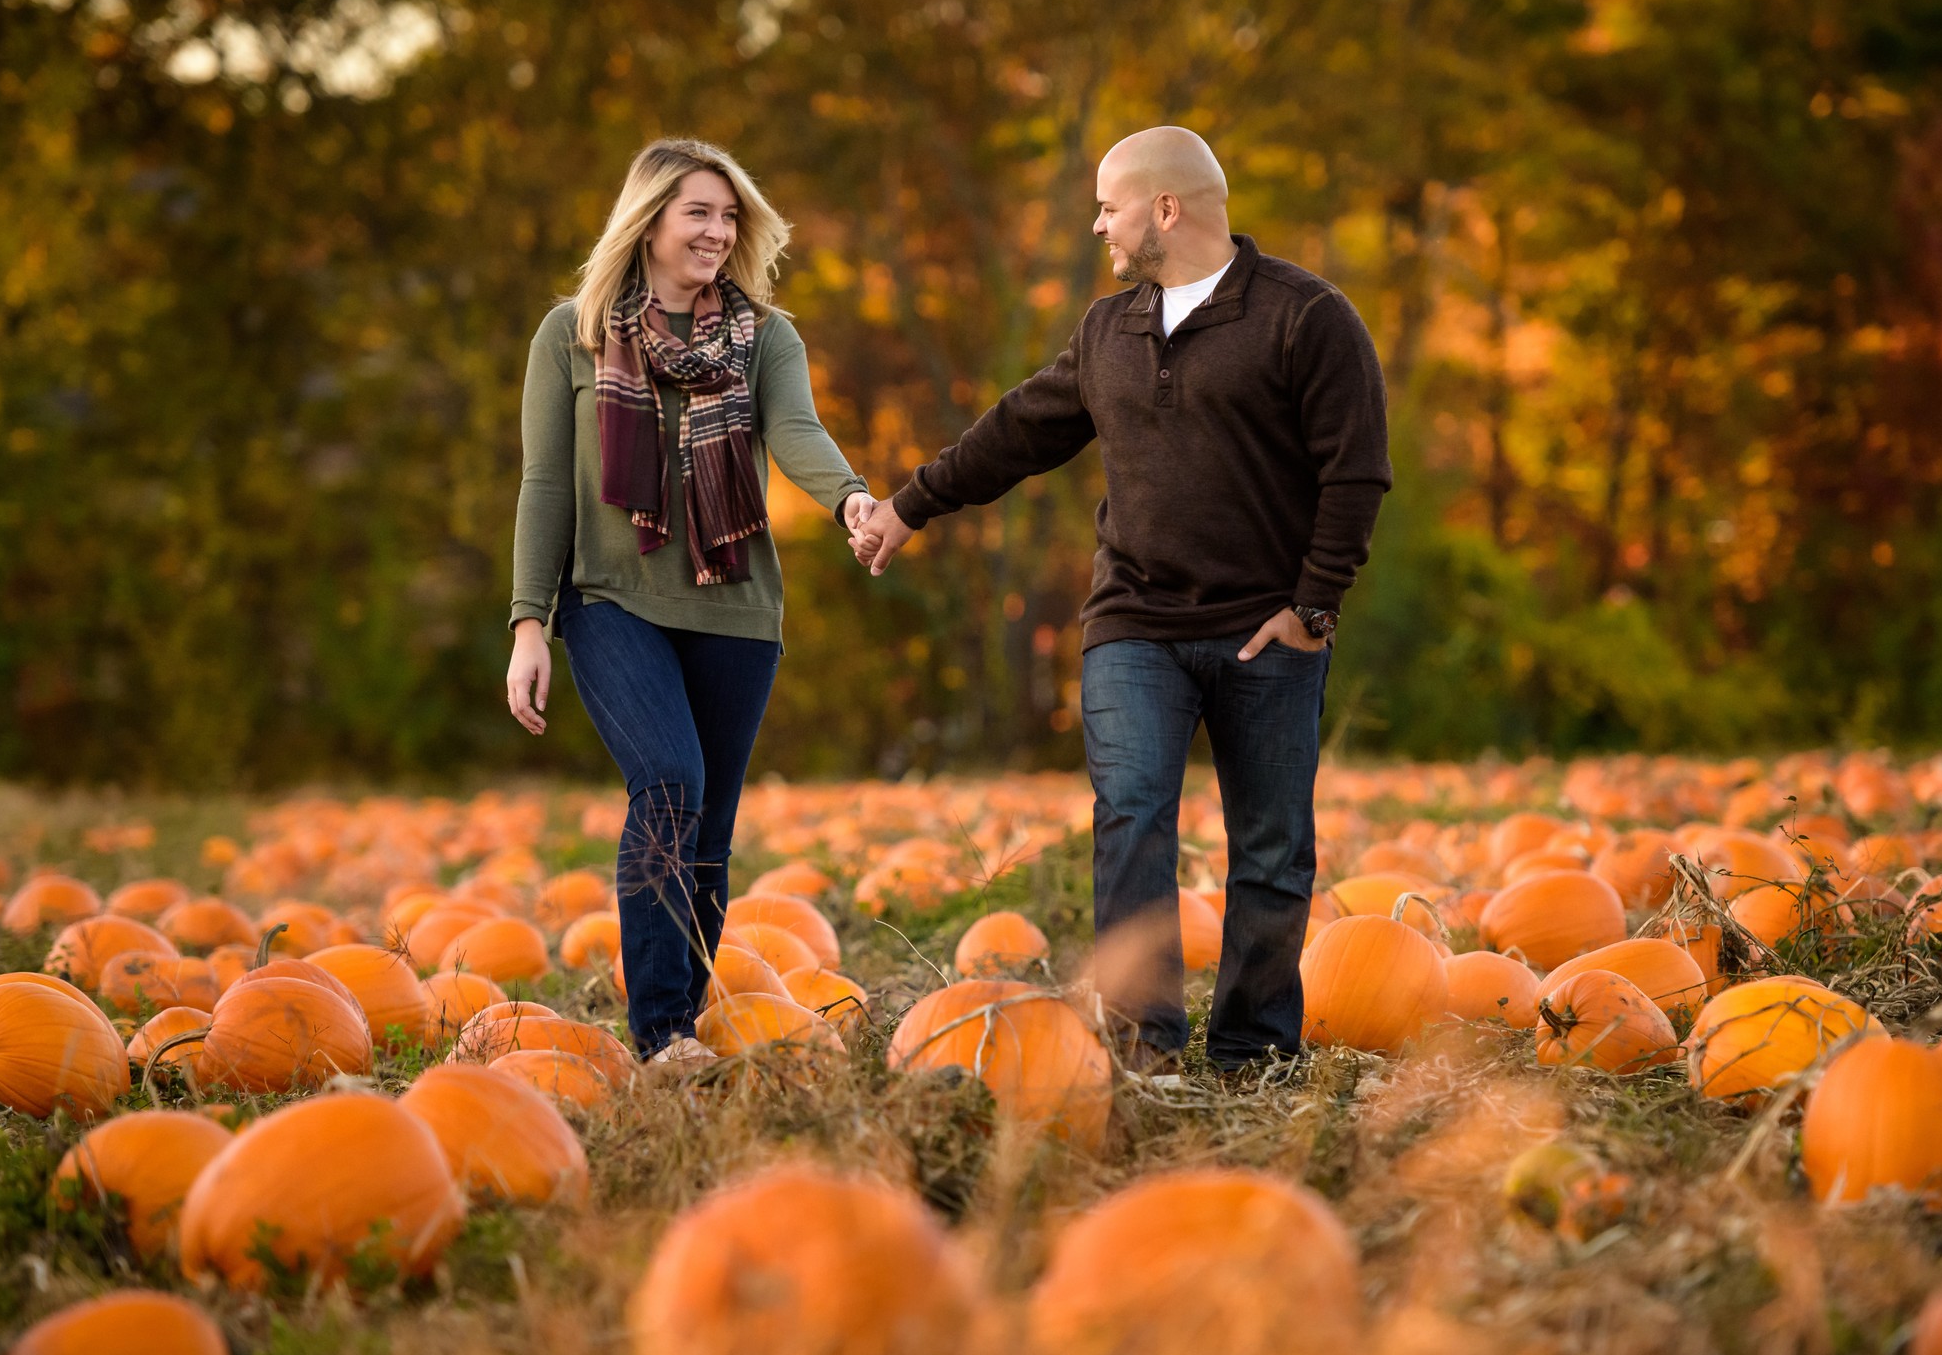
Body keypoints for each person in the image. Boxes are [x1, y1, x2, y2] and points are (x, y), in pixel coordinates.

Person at [851, 127, 1390, 1073]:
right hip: (1134, 623)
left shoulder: (1306, 318)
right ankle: (1144, 1050)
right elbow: (1020, 430)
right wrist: (910, 505)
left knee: (1271, 846)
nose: (1098, 224)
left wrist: (1313, 607)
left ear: (1165, 209)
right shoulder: (1110, 329)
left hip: (1267, 631)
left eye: (1109, 205)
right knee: (1133, 813)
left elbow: (1355, 473)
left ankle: (1253, 1052)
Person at [506, 138, 874, 1062]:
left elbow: (795, 430)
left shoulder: (765, 337)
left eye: (728, 215)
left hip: (736, 608)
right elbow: (547, 484)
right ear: (650, 221)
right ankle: (662, 1034)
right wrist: (528, 623)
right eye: (698, 213)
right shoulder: (573, 334)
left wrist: (851, 498)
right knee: (669, 783)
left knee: (708, 829)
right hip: (610, 599)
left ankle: (692, 1015)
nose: (717, 231)